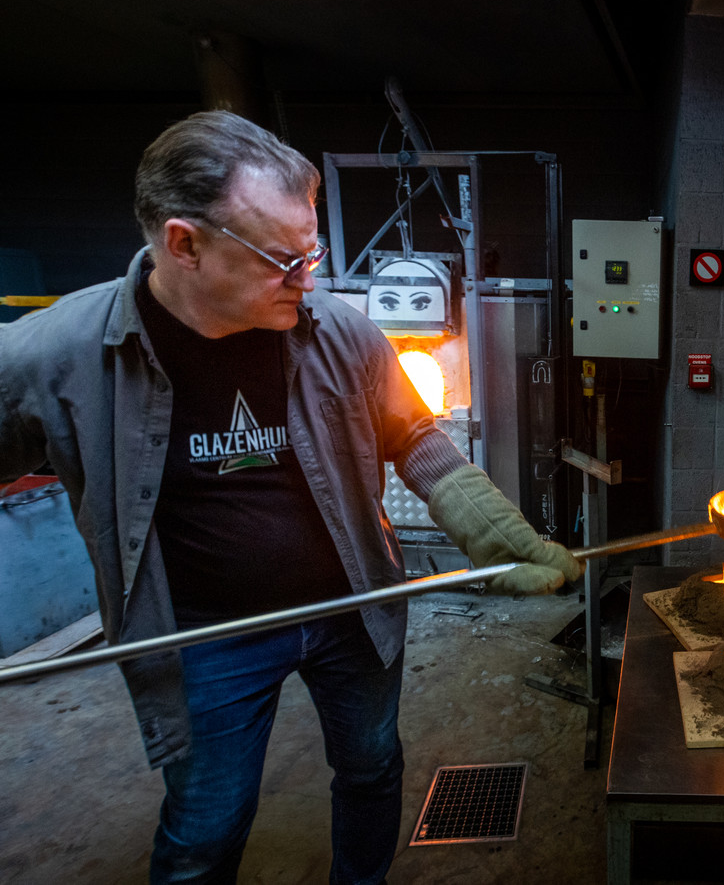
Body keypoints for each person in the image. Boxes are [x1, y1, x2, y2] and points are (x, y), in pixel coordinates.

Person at [0, 110, 583, 884]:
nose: (309, 278)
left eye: (312, 252)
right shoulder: (57, 354)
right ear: (185, 244)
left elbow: (413, 436)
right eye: (284, 259)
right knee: (209, 822)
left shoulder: (336, 330)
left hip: (352, 606)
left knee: (372, 770)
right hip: (204, 634)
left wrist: (492, 531)